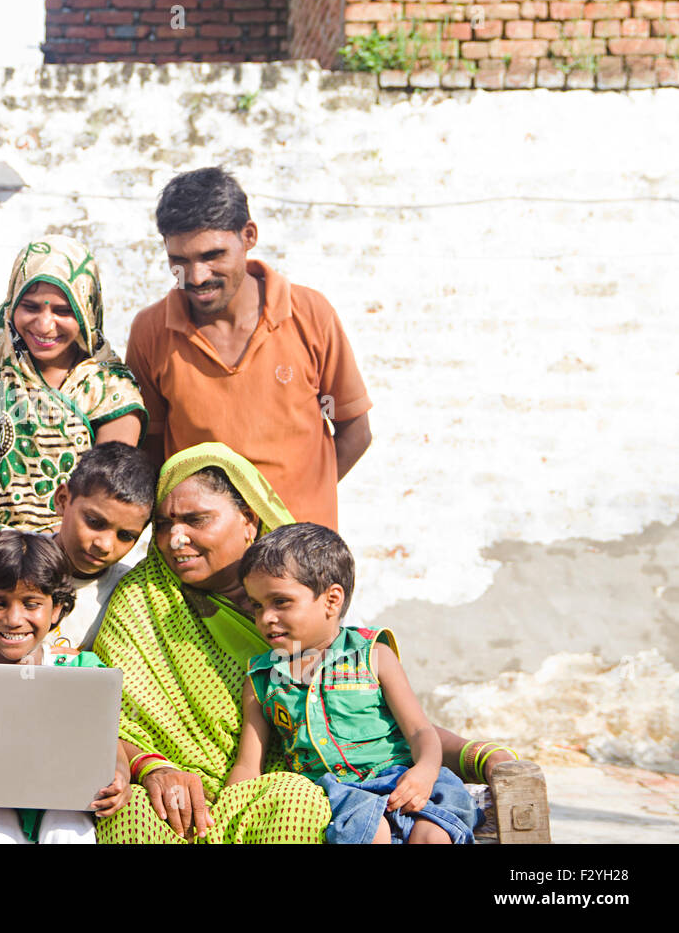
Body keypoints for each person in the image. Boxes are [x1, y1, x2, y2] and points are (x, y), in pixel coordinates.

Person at [93, 442, 516, 844]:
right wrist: (151, 766)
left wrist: (477, 756)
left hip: (292, 792)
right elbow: (104, 718)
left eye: (196, 519)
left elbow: (373, 716)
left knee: (305, 804)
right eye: (164, 525)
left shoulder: (306, 607)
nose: (174, 539)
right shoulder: (143, 604)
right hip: (173, 793)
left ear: (248, 520)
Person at [126, 167, 372, 530]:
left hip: (300, 559)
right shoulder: (150, 331)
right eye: (179, 261)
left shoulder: (310, 315)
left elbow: (354, 429)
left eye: (213, 255)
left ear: (249, 236)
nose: (197, 277)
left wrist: (296, 505)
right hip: (201, 567)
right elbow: (151, 448)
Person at [227, 523, 480, 844]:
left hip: (402, 775)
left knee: (434, 834)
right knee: (369, 833)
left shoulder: (375, 654)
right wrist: (227, 813)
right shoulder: (262, 678)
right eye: (257, 606)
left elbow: (419, 730)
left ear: (332, 600)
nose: (266, 618)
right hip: (335, 792)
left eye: (281, 602)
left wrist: (426, 771)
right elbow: (249, 764)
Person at [0, 235, 146, 531]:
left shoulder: (110, 392)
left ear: (86, 311)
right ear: (11, 304)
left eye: (63, 311)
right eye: (31, 307)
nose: (44, 325)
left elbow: (104, 504)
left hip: (66, 562)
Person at [0, 530, 129, 844]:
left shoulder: (82, 673)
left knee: (69, 828)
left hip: (66, 803)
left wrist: (120, 774)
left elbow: (108, 741)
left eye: (31, 604)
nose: (13, 618)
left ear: (57, 610)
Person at [47, 441, 156, 653]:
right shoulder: (11, 557)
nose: (104, 545)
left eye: (125, 536)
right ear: (62, 500)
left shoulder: (128, 593)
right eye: (95, 522)